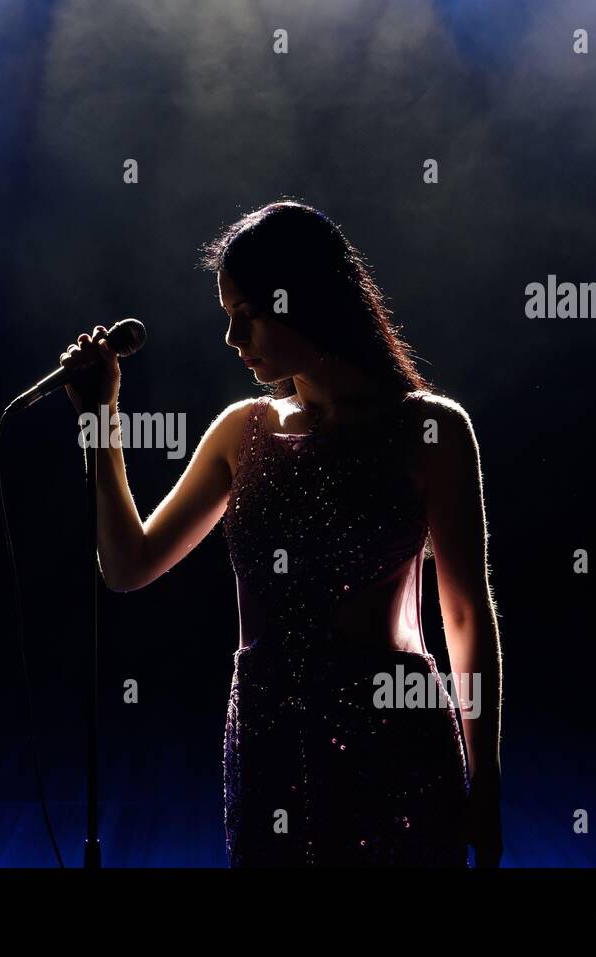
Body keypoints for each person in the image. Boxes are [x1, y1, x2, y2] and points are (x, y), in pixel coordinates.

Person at [60, 200, 502, 867]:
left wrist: (485, 778)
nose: (233, 338)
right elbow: (127, 565)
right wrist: (101, 419)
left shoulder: (430, 430)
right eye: (226, 315)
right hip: (268, 754)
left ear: (310, 299)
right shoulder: (242, 434)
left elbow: (466, 612)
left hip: (394, 753)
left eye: (247, 314)